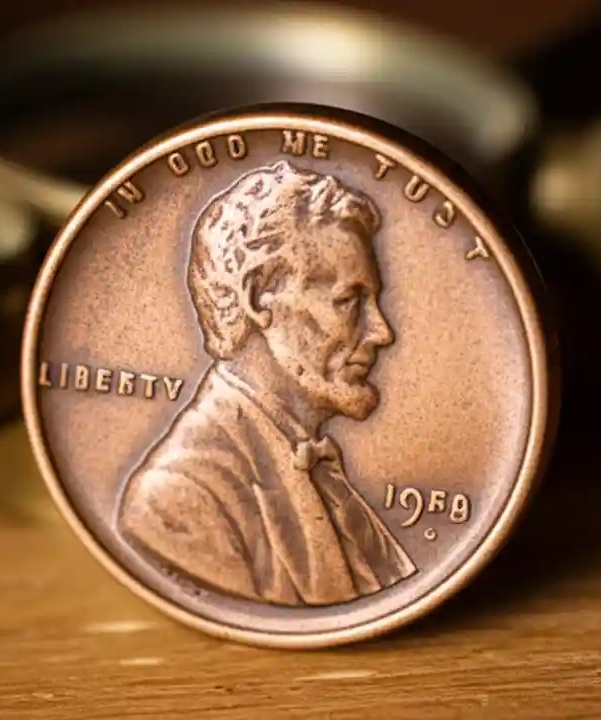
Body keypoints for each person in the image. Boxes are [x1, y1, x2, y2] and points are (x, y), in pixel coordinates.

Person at [117, 161, 416, 607]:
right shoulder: (175, 500)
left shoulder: (323, 473)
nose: (381, 331)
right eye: (349, 301)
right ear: (259, 299)